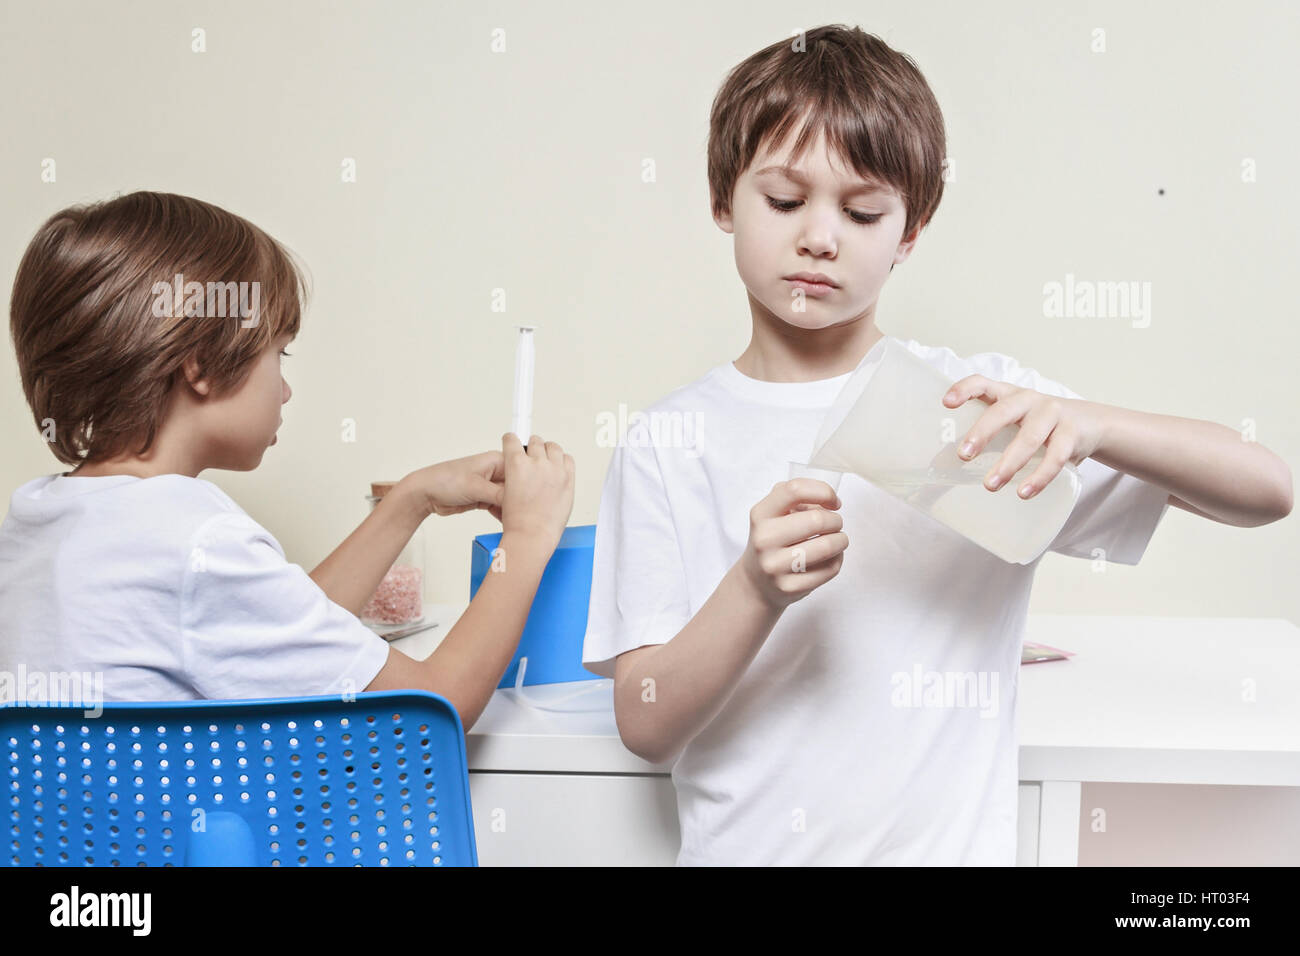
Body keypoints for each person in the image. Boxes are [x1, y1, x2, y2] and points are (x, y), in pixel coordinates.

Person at [581, 24, 1292, 865]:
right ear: (721, 199)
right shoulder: (670, 442)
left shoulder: (976, 410)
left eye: (863, 211)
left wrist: (1093, 424)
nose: (820, 238)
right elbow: (645, 722)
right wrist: (754, 590)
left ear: (909, 234)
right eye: (783, 201)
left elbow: (1265, 489)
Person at [0, 190, 574, 730]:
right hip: (191, 840)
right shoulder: (200, 540)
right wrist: (526, 538)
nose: (286, 390)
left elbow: (278, 629)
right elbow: (431, 712)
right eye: (279, 352)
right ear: (198, 365)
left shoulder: (37, 519)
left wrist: (410, 499)